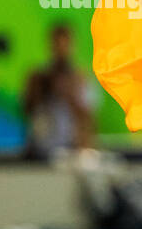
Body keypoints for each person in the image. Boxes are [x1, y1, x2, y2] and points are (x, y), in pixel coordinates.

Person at [23, 22, 97, 160]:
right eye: (57, 44)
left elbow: (89, 119)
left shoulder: (81, 78)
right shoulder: (38, 77)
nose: (61, 50)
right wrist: (41, 88)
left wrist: (69, 94)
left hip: (71, 150)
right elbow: (25, 111)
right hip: (40, 150)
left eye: (65, 45)